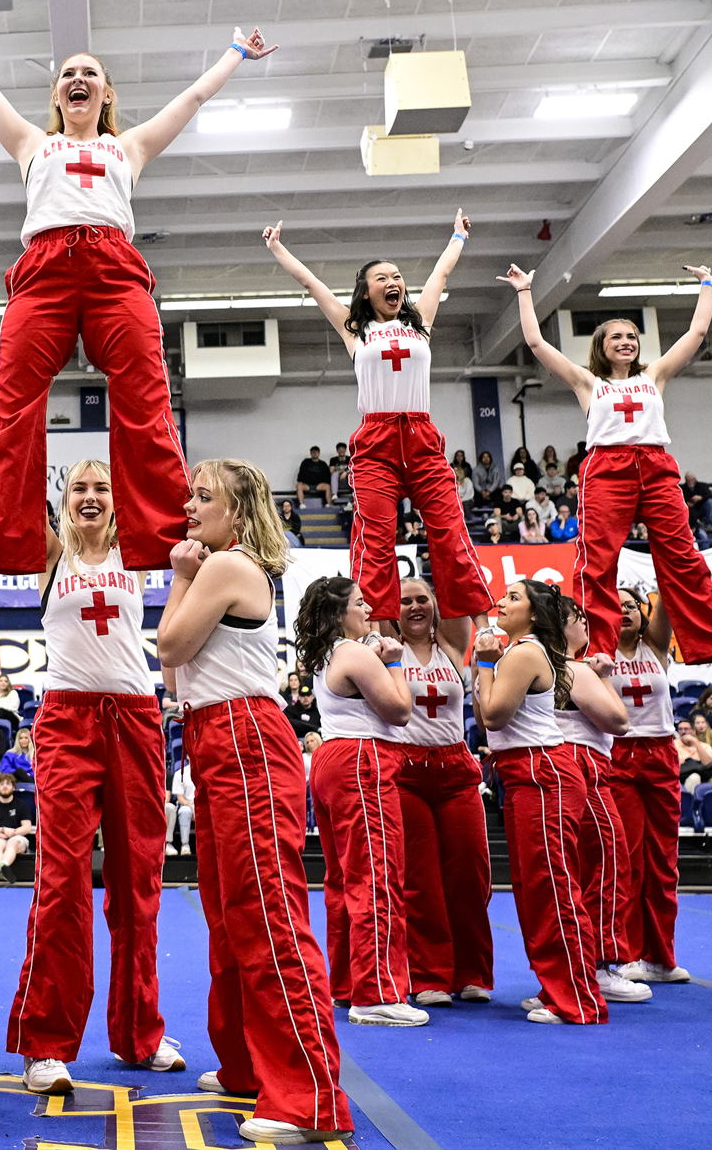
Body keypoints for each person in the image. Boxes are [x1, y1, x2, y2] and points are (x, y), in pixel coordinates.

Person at [0, 11, 273, 575]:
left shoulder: (129, 147)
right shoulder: (32, 143)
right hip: (43, 272)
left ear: (105, 94)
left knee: (146, 399)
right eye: (67, 74)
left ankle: (163, 538)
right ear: (57, 94)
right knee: (13, 404)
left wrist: (236, 53)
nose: (77, 79)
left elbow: (194, 98)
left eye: (89, 74)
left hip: (115, 273)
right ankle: (1, 543)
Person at [156, 459, 350, 1143]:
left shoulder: (228, 566)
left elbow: (169, 643)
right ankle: (246, 1065)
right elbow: (174, 677)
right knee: (228, 912)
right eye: (190, 495)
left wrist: (181, 577)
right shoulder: (222, 568)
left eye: (203, 497)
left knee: (268, 915)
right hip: (217, 735)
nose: (188, 507)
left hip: (245, 738)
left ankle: (309, 1098)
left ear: (237, 512)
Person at [9, 460, 180, 1093]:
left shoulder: (137, 553)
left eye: (102, 487)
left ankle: (140, 1032)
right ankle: (46, 1043)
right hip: (68, 721)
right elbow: (15, 484)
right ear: (64, 500)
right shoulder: (51, 556)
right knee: (61, 883)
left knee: (139, 883)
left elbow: (157, 474)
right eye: (78, 488)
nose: (90, 496)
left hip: (134, 719)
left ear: (117, 498)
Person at [266, 211, 490, 623]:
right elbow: (312, 284)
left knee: (450, 531)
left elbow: (440, 274)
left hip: (422, 436)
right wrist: (278, 248)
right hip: (376, 441)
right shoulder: (355, 330)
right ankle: (374, 628)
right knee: (375, 539)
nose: (393, 282)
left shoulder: (420, 324)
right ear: (366, 292)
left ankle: (483, 624)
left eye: (398, 276)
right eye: (382, 277)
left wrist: (458, 237)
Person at [506, 263, 712, 662]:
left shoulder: (655, 375)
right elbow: (537, 344)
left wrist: (707, 284)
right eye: (617, 337)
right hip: (607, 469)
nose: (626, 342)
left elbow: (696, 333)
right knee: (597, 564)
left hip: (656, 465)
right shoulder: (588, 382)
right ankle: (596, 649)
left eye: (632, 337)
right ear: (601, 345)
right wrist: (524, 291)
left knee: (683, 555)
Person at [471, 579, 607, 1025]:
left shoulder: (525, 652)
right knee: (535, 890)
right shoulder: (517, 651)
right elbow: (487, 718)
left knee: (552, 888)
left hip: (542, 772)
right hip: (525, 773)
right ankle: (557, 986)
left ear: (533, 614)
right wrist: (485, 666)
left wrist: (485, 664)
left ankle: (578, 1000)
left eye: (513, 597)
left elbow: (493, 715)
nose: (502, 601)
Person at [293, 575, 425, 1026]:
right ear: (338, 614)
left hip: (335, 758)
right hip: (361, 759)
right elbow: (400, 710)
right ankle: (377, 992)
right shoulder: (353, 652)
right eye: (360, 604)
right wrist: (395, 662)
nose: (369, 610)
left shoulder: (328, 653)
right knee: (376, 876)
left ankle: (349, 983)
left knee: (343, 880)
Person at [392, 577, 492, 1007]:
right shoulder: (385, 649)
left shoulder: (452, 646)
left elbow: (457, 592)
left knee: (471, 875)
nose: (415, 607)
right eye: (405, 602)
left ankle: (472, 972)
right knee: (421, 880)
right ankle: (427, 974)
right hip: (406, 772)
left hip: (455, 771)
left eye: (422, 600)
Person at [553, 599, 650, 1006]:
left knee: (569, 873)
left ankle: (570, 969)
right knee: (607, 863)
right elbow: (619, 721)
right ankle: (598, 966)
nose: (587, 626)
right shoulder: (573, 668)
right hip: (582, 762)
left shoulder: (537, 662)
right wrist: (605, 679)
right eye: (579, 620)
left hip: (559, 763)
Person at [604, 587, 690, 986]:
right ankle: (627, 953)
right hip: (619, 755)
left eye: (630, 605)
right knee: (628, 859)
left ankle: (659, 955)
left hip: (660, 754)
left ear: (643, 613)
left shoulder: (655, 646)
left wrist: (672, 559)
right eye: (615, 606)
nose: (623, 611)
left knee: (663, 863)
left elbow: (669, 598)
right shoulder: (599, 651)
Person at [0, 773, 35, 881]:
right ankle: (4, 869)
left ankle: (2, 866)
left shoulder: (21, 804)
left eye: (8, 783)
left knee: (13, 843)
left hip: (17, 836)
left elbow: (27, 827)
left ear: (14, 787)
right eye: (1, 784)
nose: (5, 786)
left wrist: (13, 833)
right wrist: (3, 830)